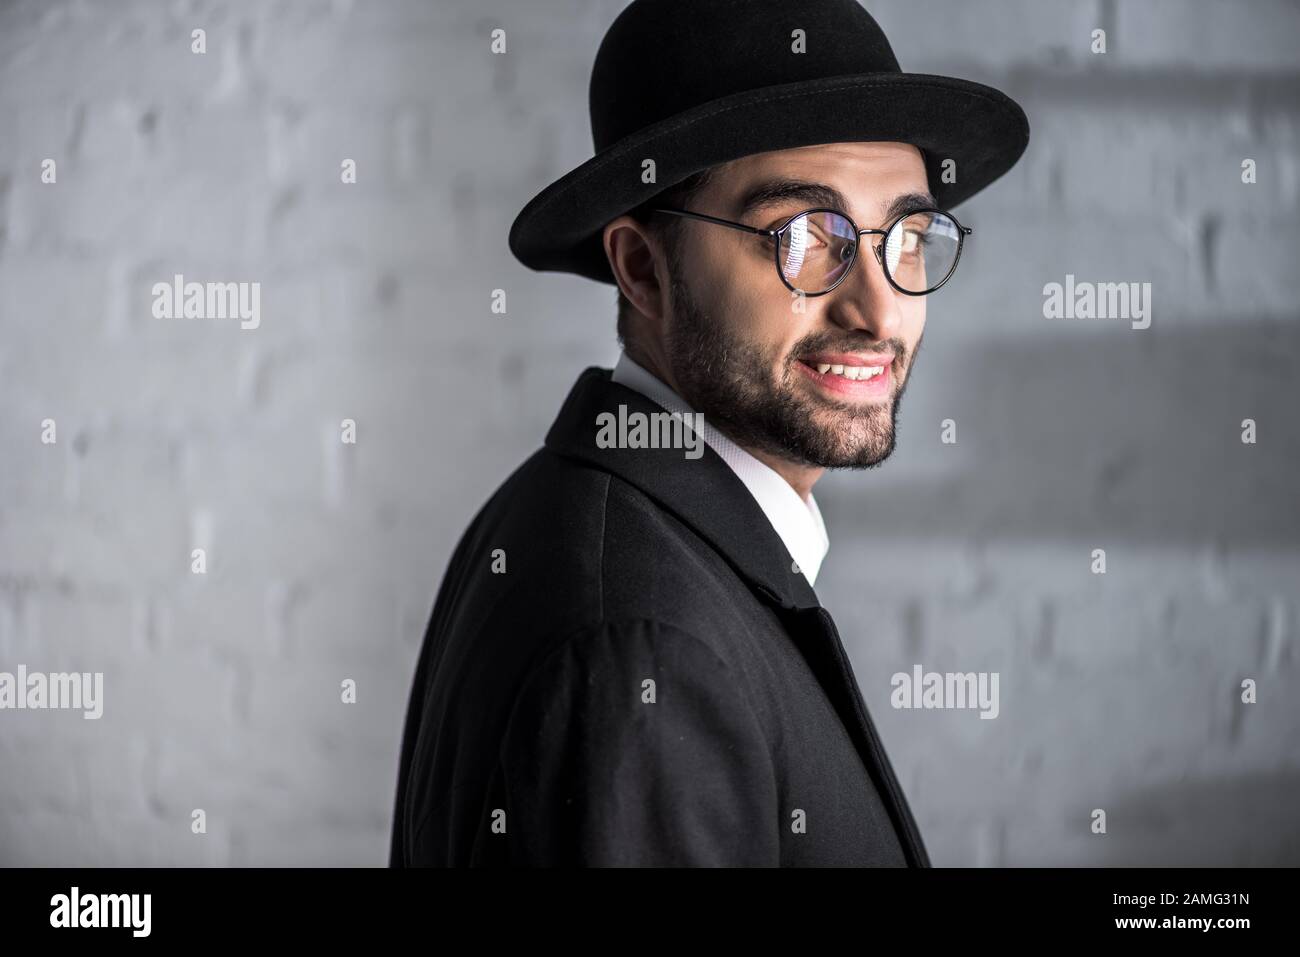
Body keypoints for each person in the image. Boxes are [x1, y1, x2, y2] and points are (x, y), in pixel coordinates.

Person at [390, 0, 1029, 866]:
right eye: (803, 236)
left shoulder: (584, 517)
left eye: (907, 237)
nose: (880, 308)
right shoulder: (643, 649)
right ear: (643, 268)